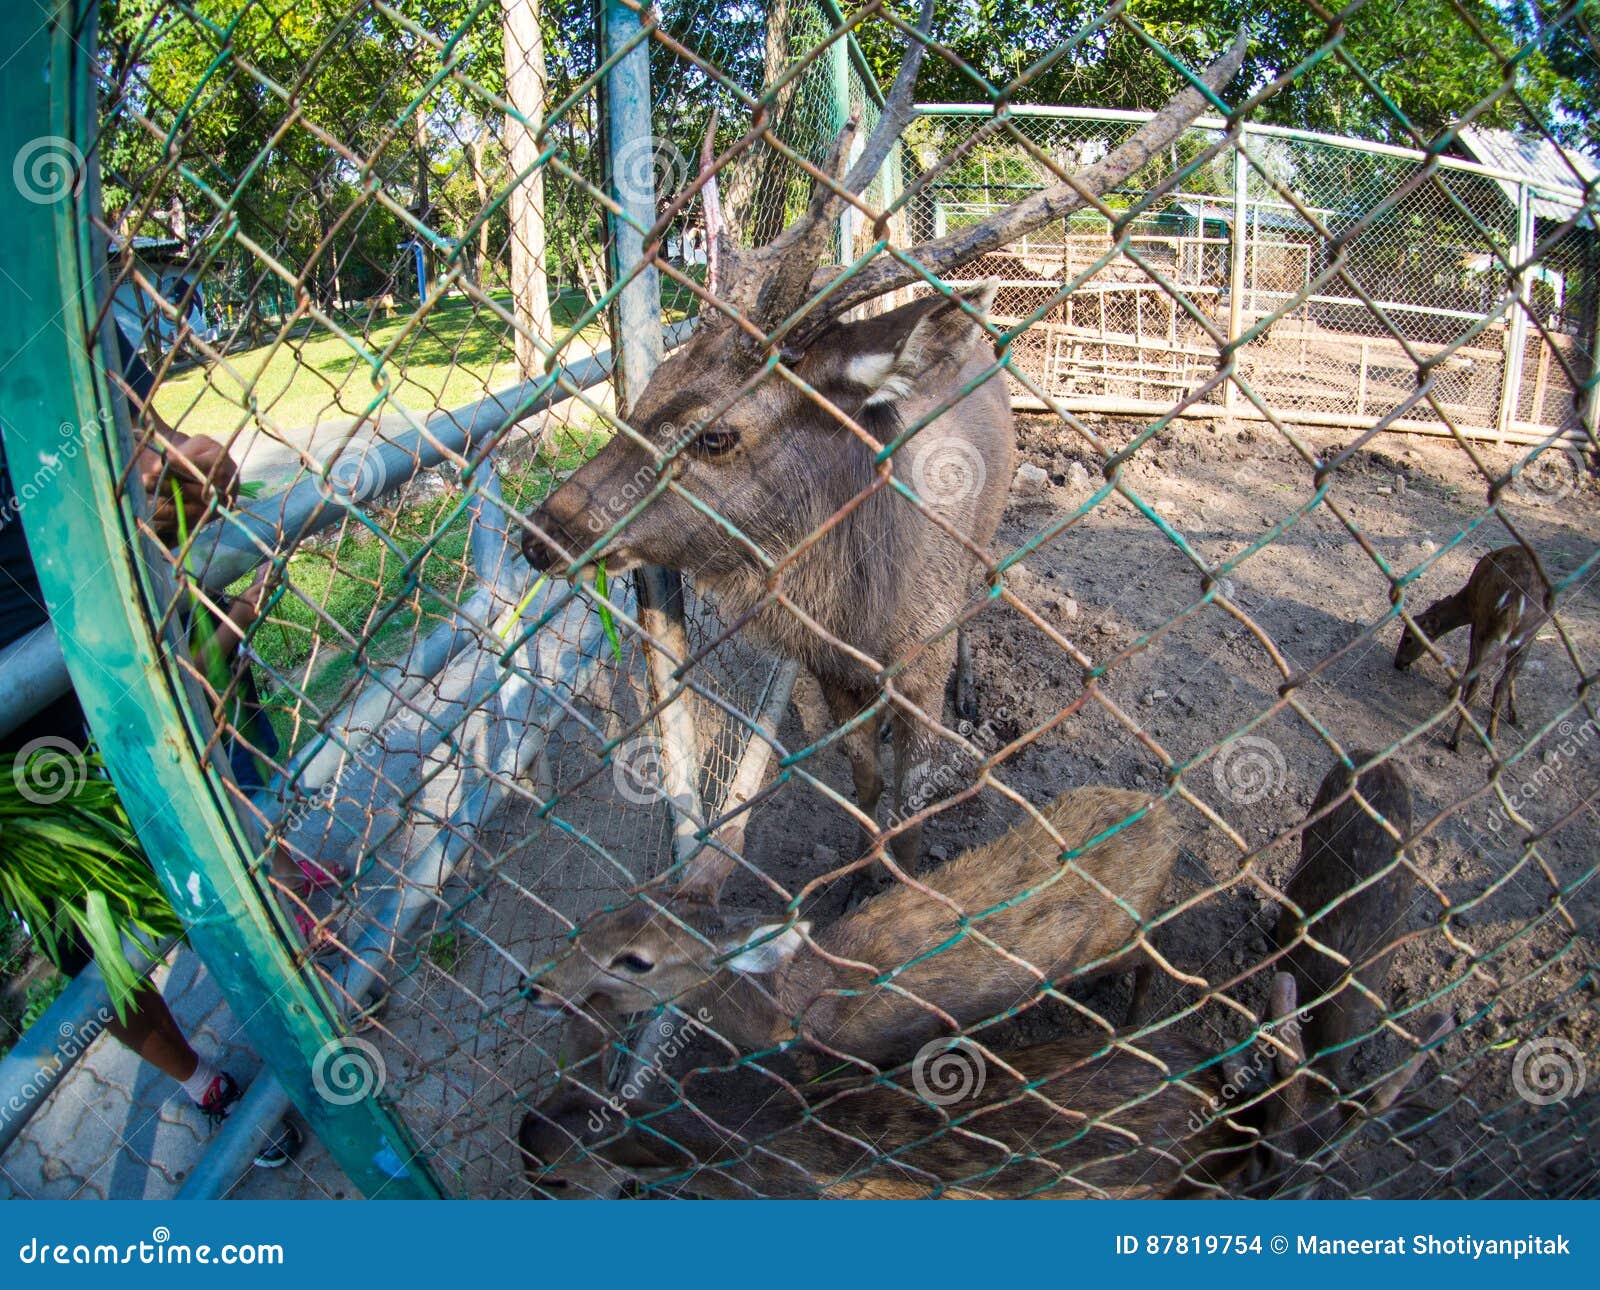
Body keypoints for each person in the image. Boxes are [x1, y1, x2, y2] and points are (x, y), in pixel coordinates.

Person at [0, 329, 304, 1168]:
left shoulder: (57, 307)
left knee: (228, 812)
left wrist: (194, 474)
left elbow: (172, 453)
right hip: (19, 722)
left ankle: (299, 1004)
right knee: (93, 934)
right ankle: (203, 1081)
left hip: (147, 630)